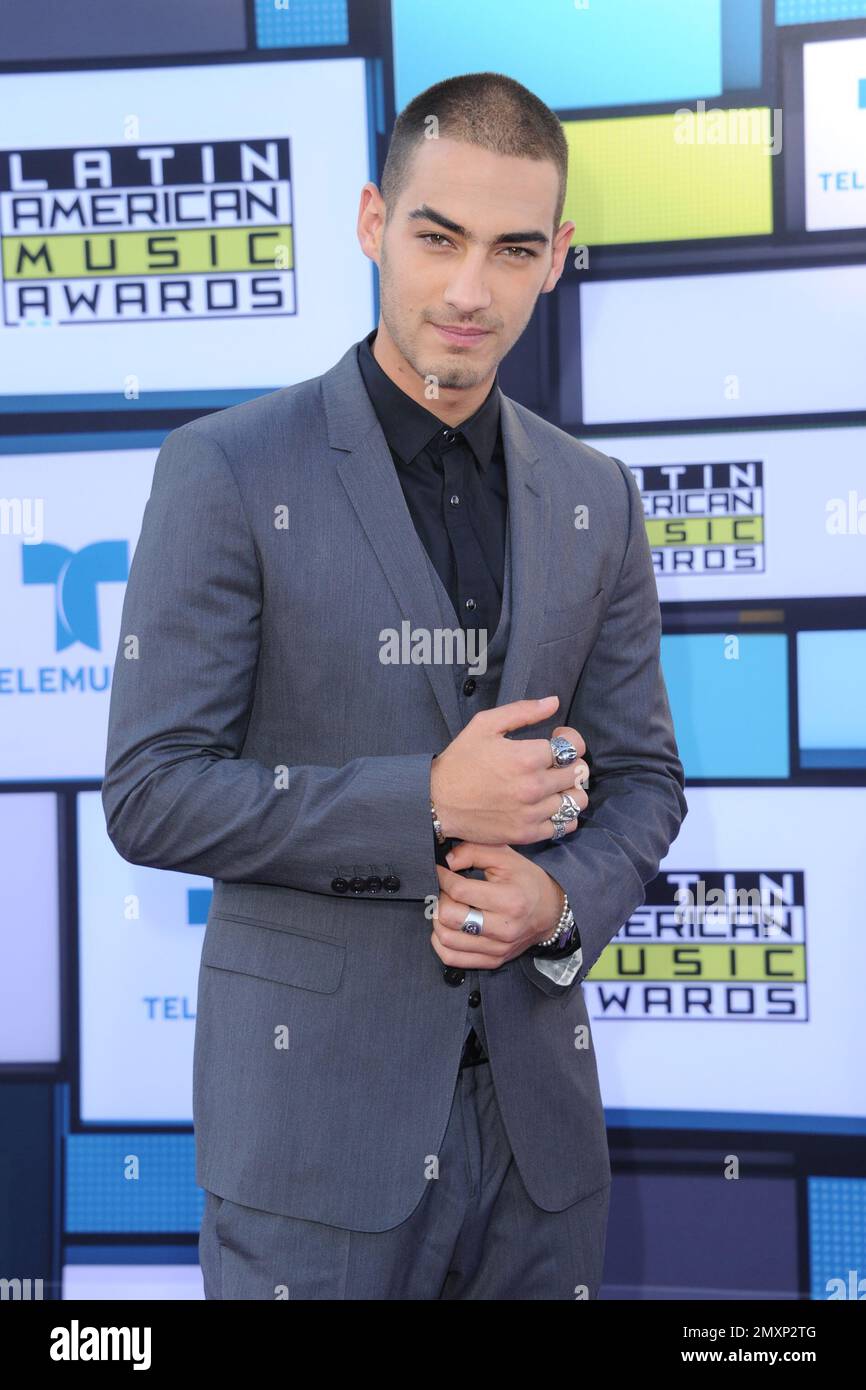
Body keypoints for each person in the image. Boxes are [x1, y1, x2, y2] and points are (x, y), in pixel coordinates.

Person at [102, 71, 687, 1300]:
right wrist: (425, 802)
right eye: (436, 237)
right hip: (313, 1153)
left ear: (557, 257)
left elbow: (643, 780)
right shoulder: (224, 468)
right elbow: (152, 792)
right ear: (373, 222)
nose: (469, 291)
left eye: (513, 249)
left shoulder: (595, 496)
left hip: (538, 1155)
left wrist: (556, 900)